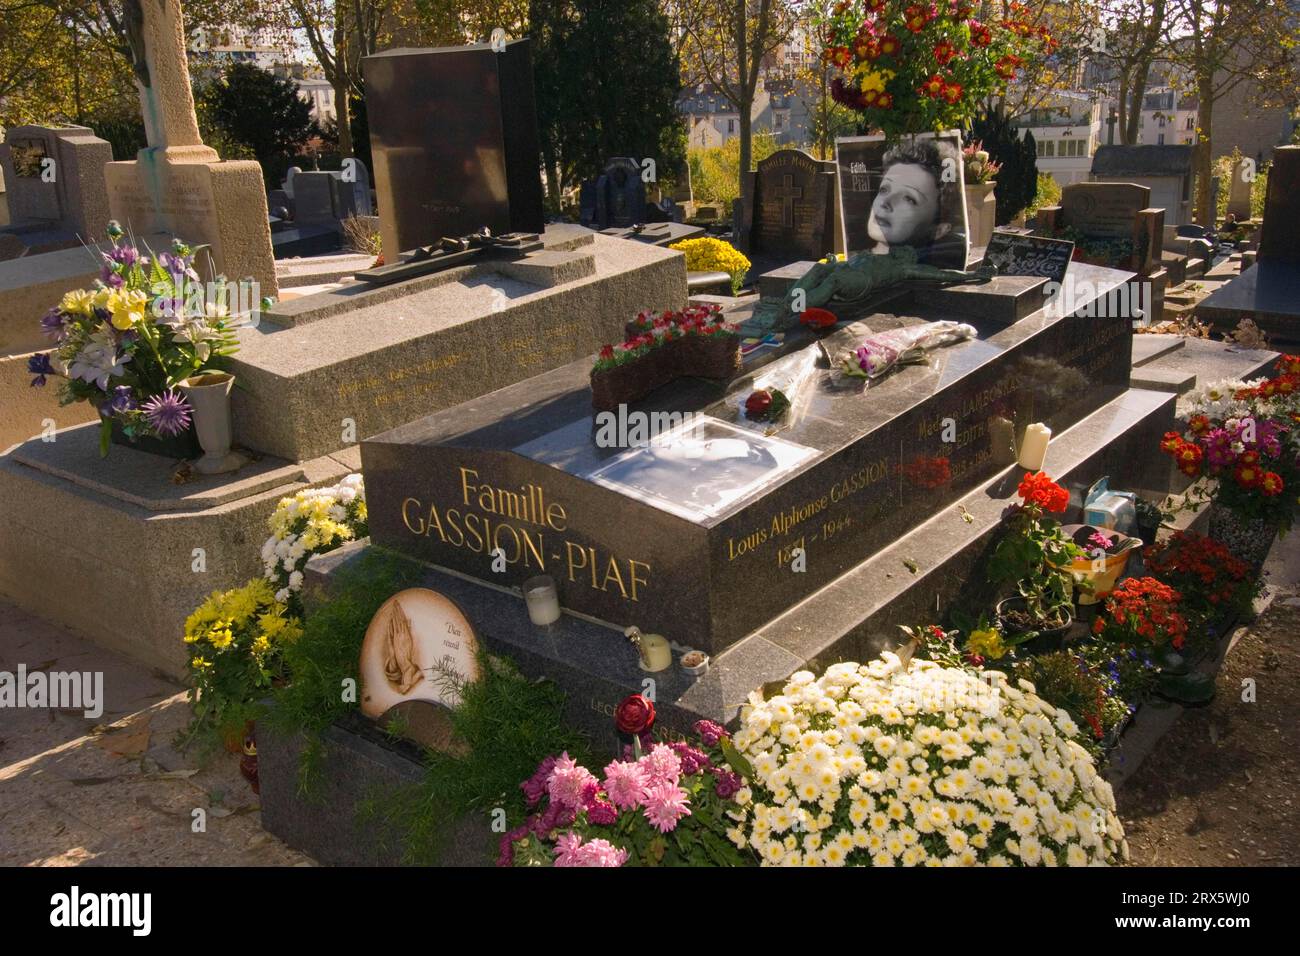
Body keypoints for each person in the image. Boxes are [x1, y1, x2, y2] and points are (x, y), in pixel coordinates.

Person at [866, 139, 966, 268]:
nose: (885, 202)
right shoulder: (848, 265)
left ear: (938, 230)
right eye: (884, 189)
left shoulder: (933, 278)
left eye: (909, 198)